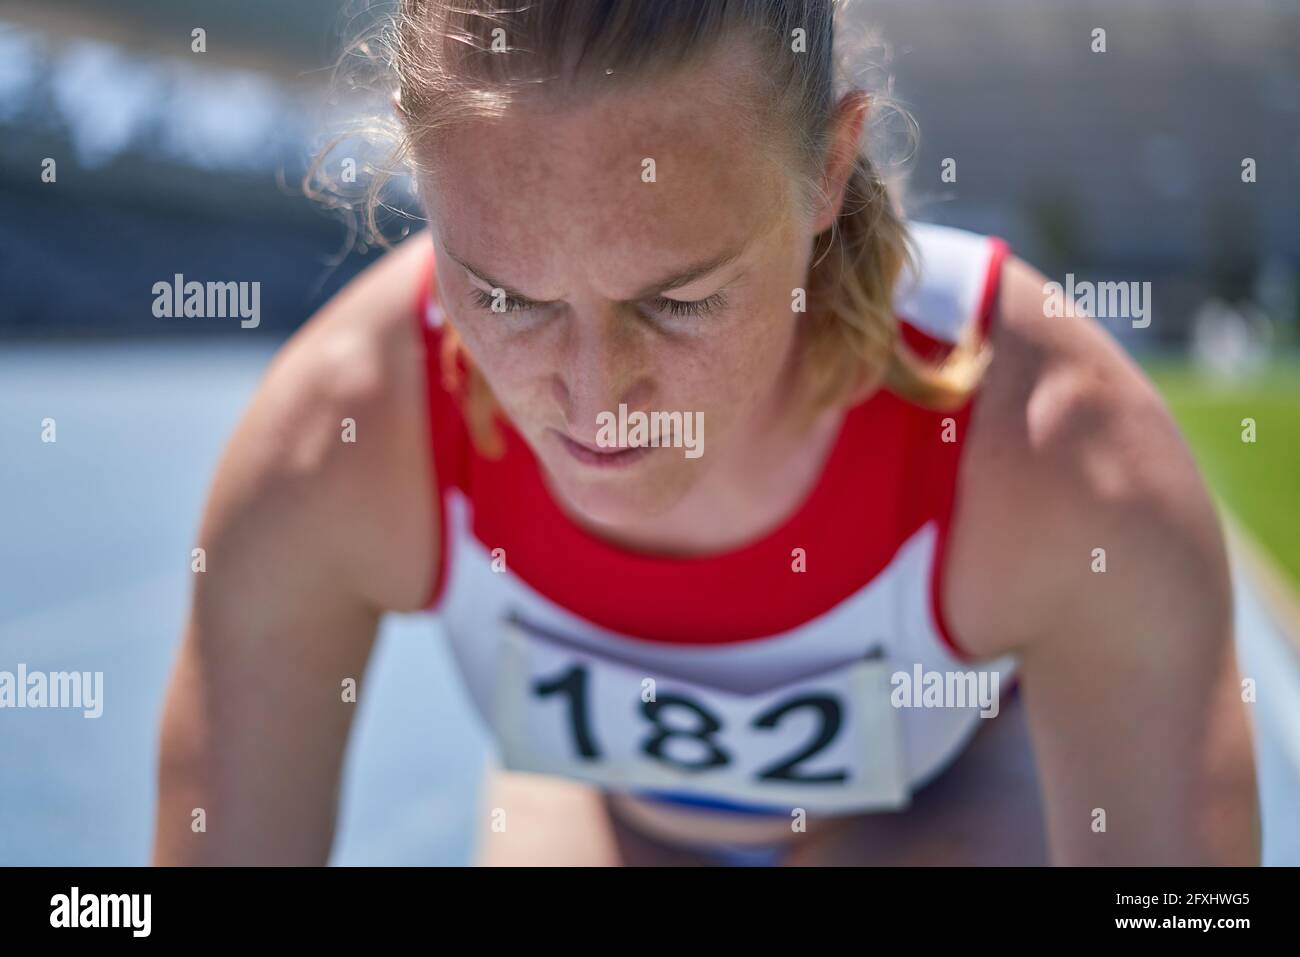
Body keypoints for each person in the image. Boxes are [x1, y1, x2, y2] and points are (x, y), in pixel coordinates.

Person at [152, 0, 1258, 866]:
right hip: (602, 825)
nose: (592, 397)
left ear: (827, 171)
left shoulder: (1056, 454)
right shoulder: (342, 433)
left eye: (678, 303)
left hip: (954, 808)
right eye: (504, 296)